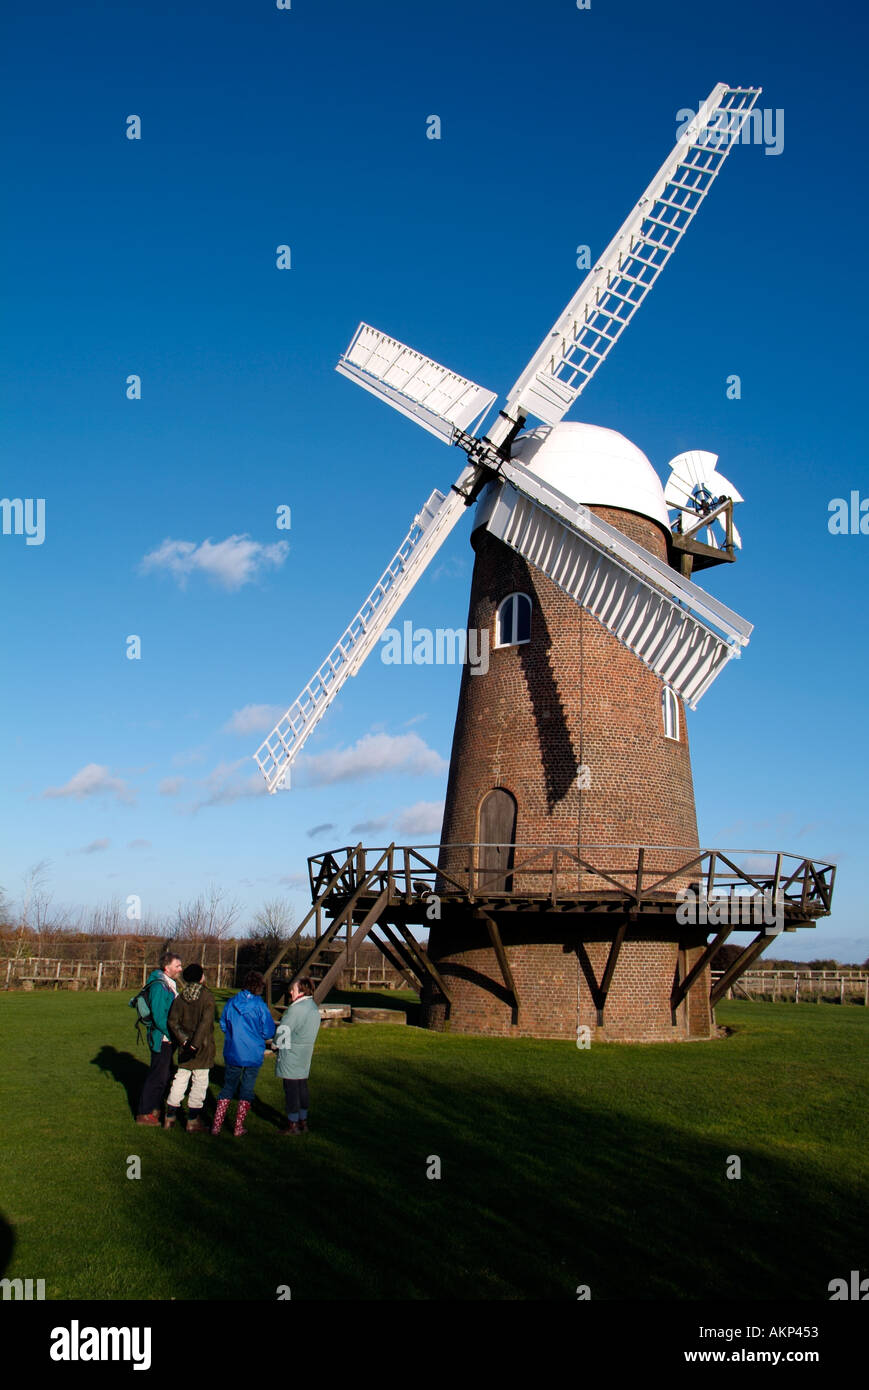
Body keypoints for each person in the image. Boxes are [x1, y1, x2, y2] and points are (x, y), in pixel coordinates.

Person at [212, 970, 275, 1137]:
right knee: (247, 1089)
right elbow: (268, 1031)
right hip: (253, 1053)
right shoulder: (260, 1006)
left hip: (233, 1051)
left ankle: (216, 1125)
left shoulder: (231, 1002)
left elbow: (223, 1024)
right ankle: (238, 1126)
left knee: (228, 1087)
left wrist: (233, 1036)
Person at [164, 963, 216, 1131]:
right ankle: (193, 1120)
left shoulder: (180, 997)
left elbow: (173, 1022)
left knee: (180, 1079)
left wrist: (184, 1041)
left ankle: (170, 1117)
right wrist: (194, 1045)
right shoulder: (207, 997)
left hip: (184, 1046)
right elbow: (205, 1023)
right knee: (200, 1082)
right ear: (201, 977)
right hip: (202, 1046)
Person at [135, 951, 183, 1125]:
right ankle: (144, 1112)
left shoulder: (168, 983)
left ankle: (154, 1107)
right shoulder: (158, 986)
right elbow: (159, 1016)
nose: (180, 969)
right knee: (158, 1076)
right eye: (177, 965)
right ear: (167, 967)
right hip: (162, 1038)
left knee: (164, 1075)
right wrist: (172, 1035)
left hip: (168, 1037)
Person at [274, 977, 321, 1135]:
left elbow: (283, 1031)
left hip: (292, 1053)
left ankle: (292, 1124)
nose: (291, 992)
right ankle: (303, 1120)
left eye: (293, 990)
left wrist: (275, 1044)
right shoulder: (313, 1007)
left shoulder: (296, 1009)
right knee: (302, 1086)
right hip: (305, 1052)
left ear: (301, 991)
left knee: (291, 1088)